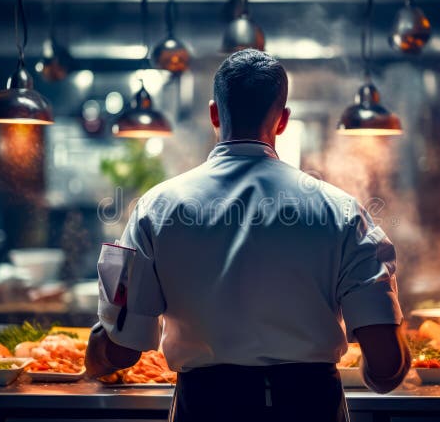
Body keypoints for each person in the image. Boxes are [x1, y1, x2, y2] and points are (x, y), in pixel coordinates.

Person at [86, 49, 410, 422]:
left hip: (205, 409)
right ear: (283, 120)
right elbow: (386, 367)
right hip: (312, 408)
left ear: (214, 114)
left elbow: (121, 348)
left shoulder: (155, 208)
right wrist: (376, 366)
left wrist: (94, 358)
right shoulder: (344, 212)